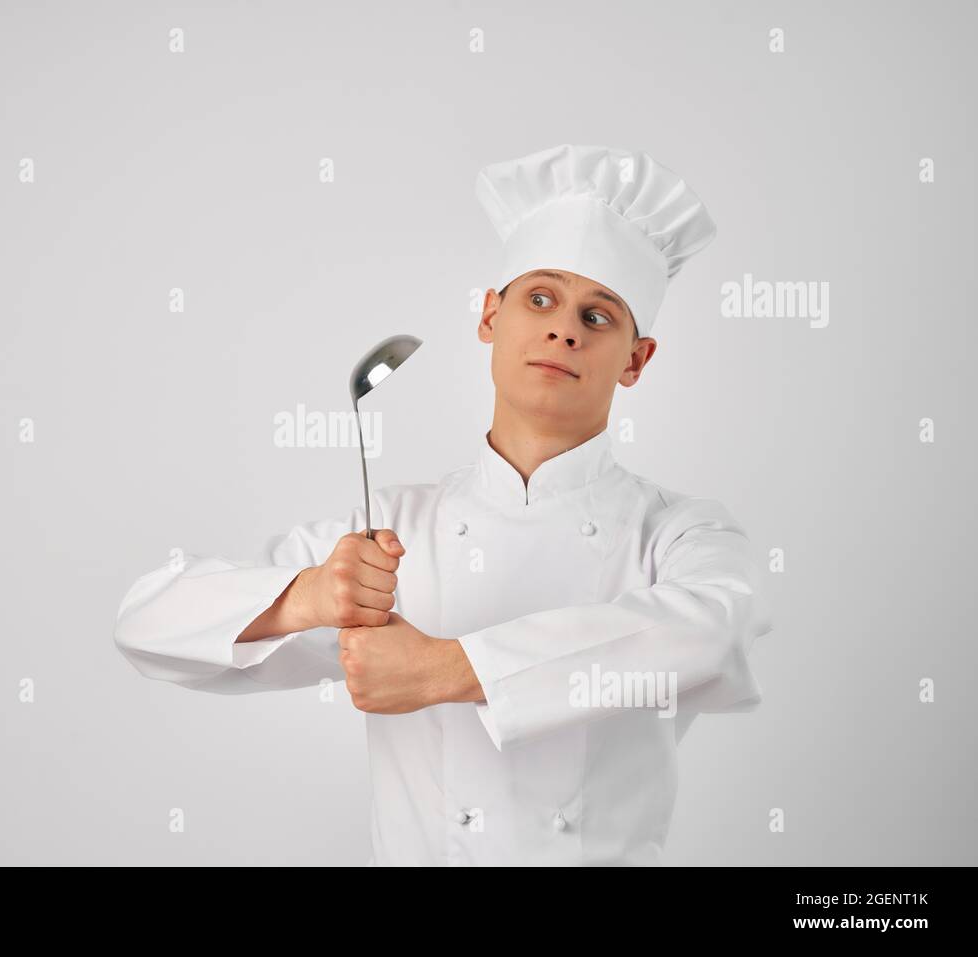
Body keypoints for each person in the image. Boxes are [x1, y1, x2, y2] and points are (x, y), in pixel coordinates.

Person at [113, 143, 774, 866]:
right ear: (490, 315)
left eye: (598, 316)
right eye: (541, 299)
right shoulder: (391, 533)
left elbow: (716, 631)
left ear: (636, 360)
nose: (564, 330)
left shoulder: (678, 530)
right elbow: (146, 624)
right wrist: (308, 596)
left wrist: (445, 668)